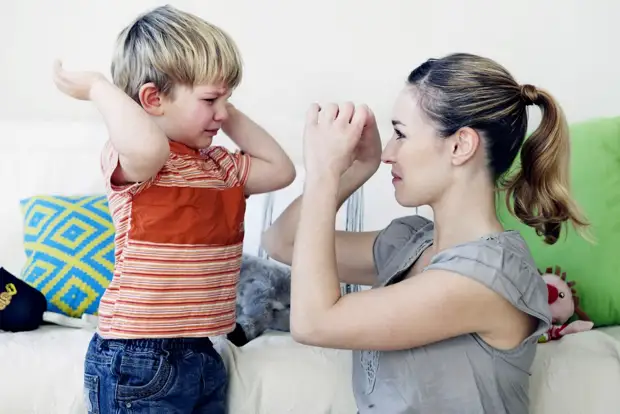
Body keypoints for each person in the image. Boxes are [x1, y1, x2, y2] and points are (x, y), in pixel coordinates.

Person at [262, 52, 589, 413]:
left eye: (401, 134)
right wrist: (357, 168)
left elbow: (313, 323)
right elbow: (282, 241)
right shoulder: (411, 243)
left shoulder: (489, 278)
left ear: (460, 146)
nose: (388, 152)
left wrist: (323, 172)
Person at [53, 5, 295, 414]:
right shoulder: (139, 160)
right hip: (136, 357)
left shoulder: (220, 166)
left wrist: (226, 108)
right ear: (152, 98)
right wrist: (98, 87)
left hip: (202, 350)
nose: (222, 112)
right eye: (211, 99)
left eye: (228, 99)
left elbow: (282, 170)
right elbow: (150, 145)